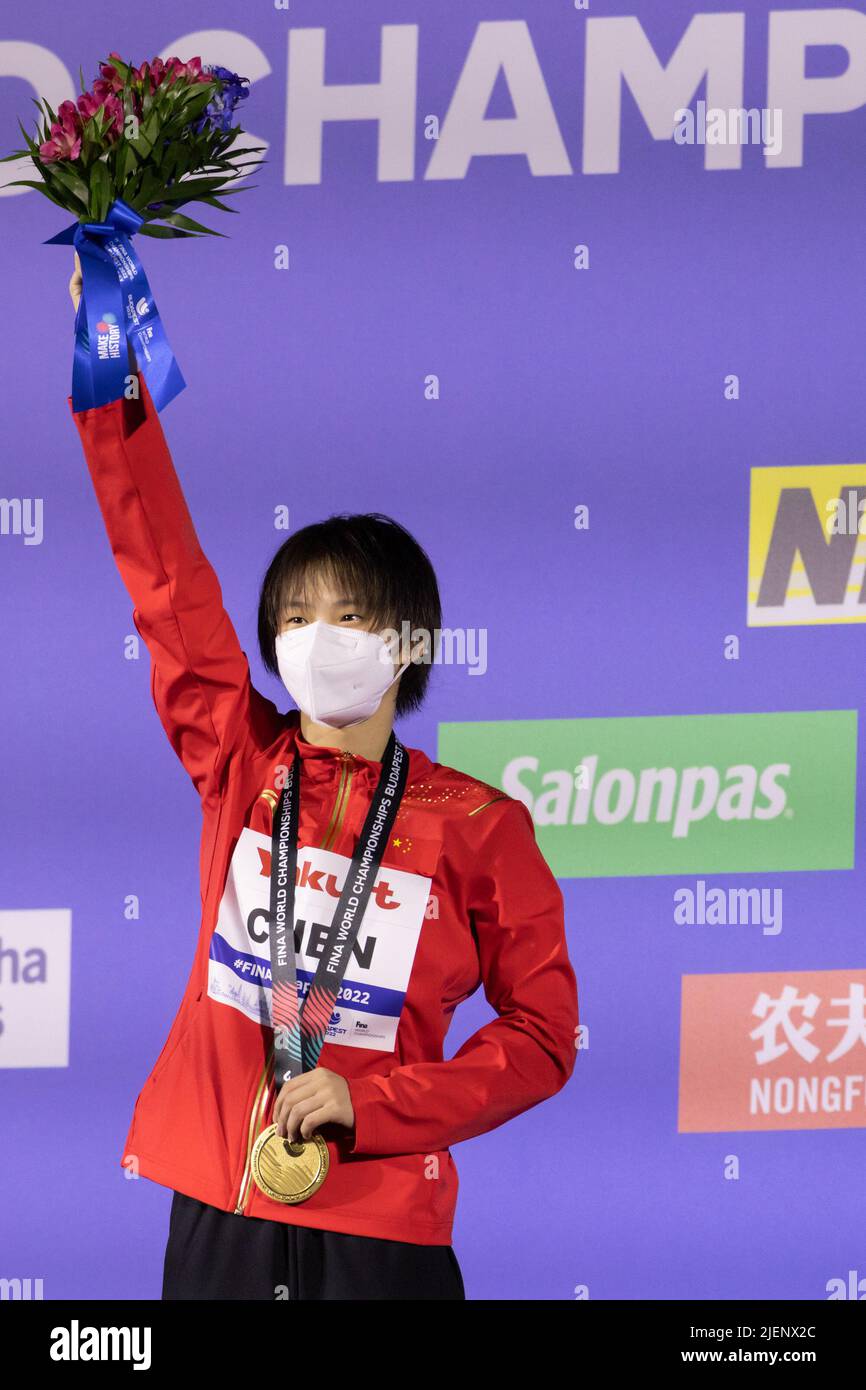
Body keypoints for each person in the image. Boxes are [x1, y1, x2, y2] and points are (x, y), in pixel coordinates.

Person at [67, 257, 579, 1301]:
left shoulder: (479, 825)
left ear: (406, 642)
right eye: (293, 619)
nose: (314, 638)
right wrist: (109, 391)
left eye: (344, 616)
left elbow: (540, 1035)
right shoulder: (238, 759)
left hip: (380, 1229)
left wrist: (373, 1103)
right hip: (217, 1206)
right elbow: (164, 576)